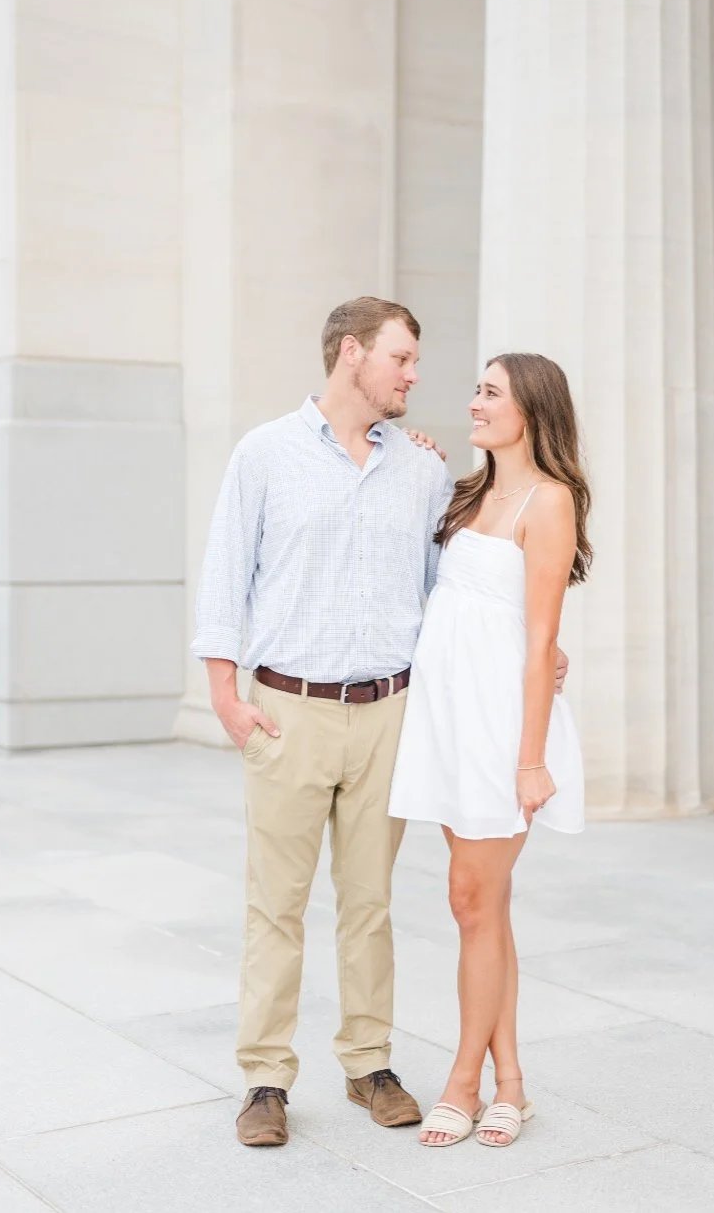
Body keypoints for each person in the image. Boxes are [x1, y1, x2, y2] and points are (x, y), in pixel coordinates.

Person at [195, 298, 567, 1149]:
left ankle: (369, 1065)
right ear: (352, 354)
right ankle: (265, 1078)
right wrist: (225, 693)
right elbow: (225, 575)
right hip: (287, 710)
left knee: (370, 904)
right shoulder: (265, 454)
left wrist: (540, 653)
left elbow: (460, 590)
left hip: (391, 711)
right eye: (401, 359)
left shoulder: (423, 470)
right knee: (276, 906)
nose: (413, 376)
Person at [387, 352, 589, 1148]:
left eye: (490, 392)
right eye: (475, 387)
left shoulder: (550, 501)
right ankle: (511, 1085)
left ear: (530, 409)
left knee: (471, 902)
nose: (473, 402)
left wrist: (531, 760)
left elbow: (542, 642)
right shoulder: (468, 492)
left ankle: (463, 1082)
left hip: (503, 727)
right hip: (447, 718)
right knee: (483, 907)